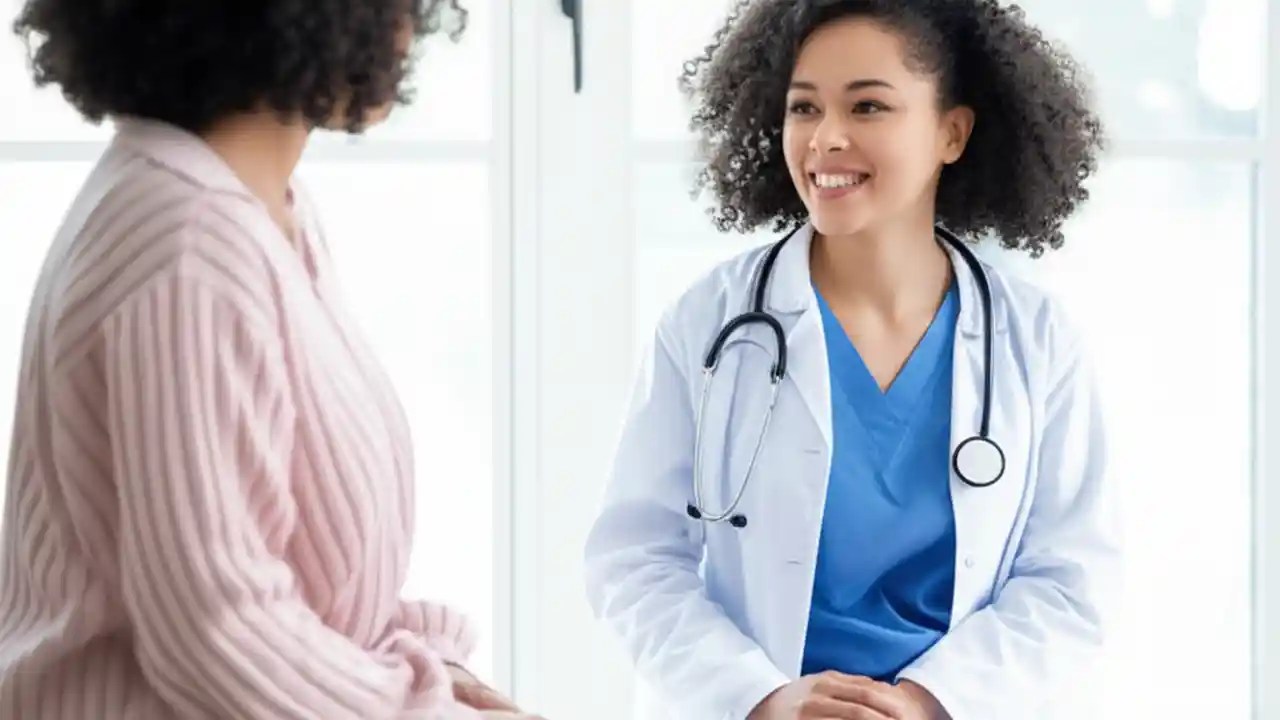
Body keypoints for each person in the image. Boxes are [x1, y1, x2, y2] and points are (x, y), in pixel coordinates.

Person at [0, 1, 540, 718]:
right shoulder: (190, 241)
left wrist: (435, 669)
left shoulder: (254, 209)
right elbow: (219, 634)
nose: (416, 22)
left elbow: (311, 578)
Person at [583, 1, 1120, 719]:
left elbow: (1070, 578)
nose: (824, 139)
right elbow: (636, 560)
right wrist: (764, 697)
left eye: (868, 106)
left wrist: (928, 703)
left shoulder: (1036, 340)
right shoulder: (709, 324)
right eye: (803, 110)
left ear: (952, 132)